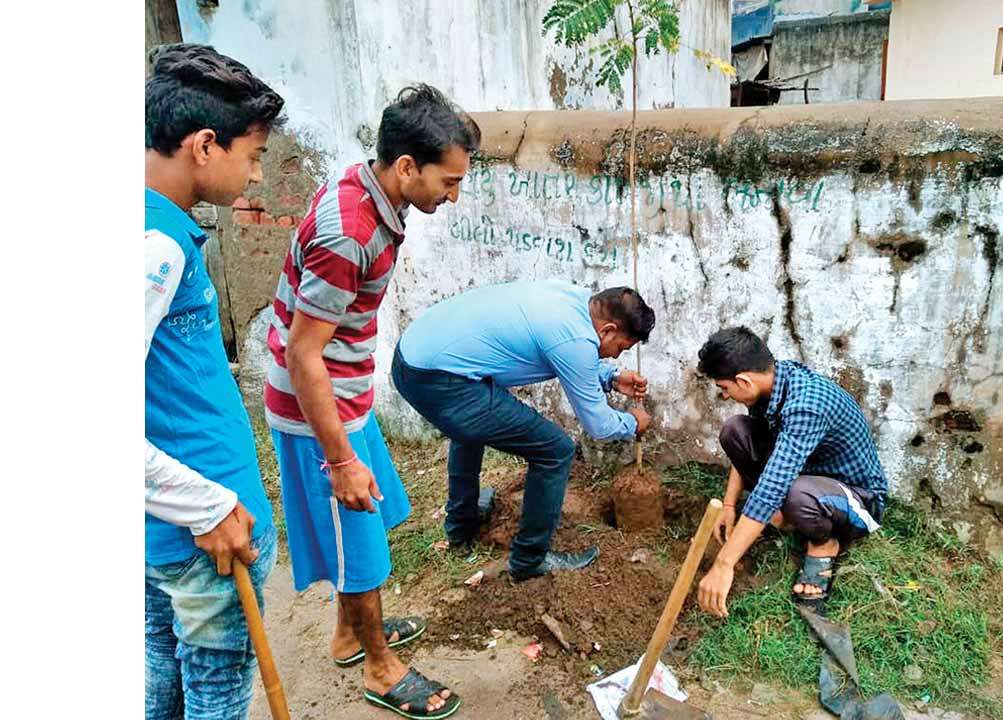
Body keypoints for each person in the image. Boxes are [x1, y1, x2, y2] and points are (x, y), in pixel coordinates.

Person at [264, 84, 477, 719]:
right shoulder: (349, 231)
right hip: (317, 408)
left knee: (369, 522)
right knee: (356, 536)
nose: (453, 195)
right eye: (450, 180)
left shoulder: (377, 198)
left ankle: (348, 634)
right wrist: (337, 460)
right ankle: (381, 669)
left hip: (345, 393)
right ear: (407, 166)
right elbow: (304, 355)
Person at [144, 44, 284, 719]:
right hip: (204, 537)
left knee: (162, 688)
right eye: (253, 156)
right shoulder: (156, 247)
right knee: (214, 700)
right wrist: (207, 507)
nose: (255, 177)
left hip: (166, 529)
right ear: (205, 145)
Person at [391, 280, 654, 581]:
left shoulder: (575, 300)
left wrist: (611, 375)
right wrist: (633, 423)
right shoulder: (575, 340)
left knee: (471, 427)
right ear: (607, 330)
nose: (616, 356)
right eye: (621, 347)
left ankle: (462, 526)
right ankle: (529, 559)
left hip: (415, 357)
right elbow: (599, 425)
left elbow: (568, 352)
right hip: (438, 381)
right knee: (555, 450)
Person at [693, 327, 889, 617]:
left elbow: (773, 485)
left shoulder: (806, 406)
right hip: (807, 474)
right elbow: (766, 459)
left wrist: (723, 565)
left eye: (724, 388)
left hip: (856, 499)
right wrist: (730, 505)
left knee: (796, 494)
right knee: (735, 430)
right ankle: (787, 516)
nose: (725, 395)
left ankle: (824, 543)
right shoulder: (772, 384)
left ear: (743, 381)